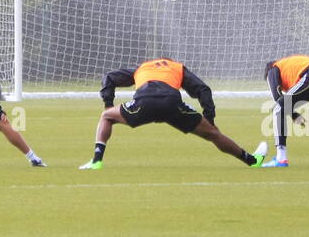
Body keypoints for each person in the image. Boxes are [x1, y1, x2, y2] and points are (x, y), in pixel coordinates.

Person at [79, 57, 265, 170]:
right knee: (214, 135)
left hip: (144, 102)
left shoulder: (142, 67)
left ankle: (96, 161)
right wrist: (209, 119)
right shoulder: (177, 67)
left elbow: (109, 77)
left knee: (106, 117)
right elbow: (203, 89)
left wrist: (108, 105)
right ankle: (251, 160)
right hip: (172, 104)